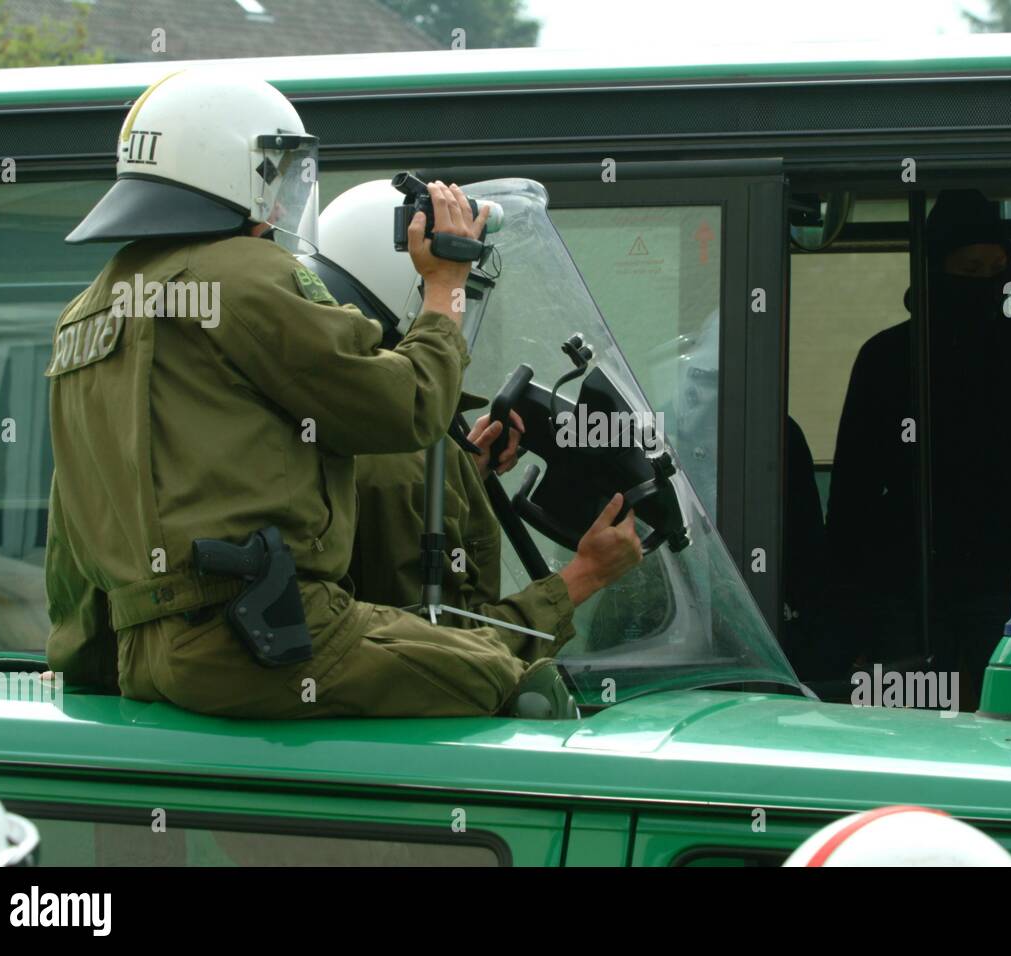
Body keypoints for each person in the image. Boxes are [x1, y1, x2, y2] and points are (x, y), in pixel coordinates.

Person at [43, 68, 577, 718]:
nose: (283, 197)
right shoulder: (244, 275)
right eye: (278, 170)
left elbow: (77, 531)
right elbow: (407, 406)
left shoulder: (91, 310)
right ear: (234, 168)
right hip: (261, 638)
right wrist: (445, 283)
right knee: (504, 673)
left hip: (136, 655)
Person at [301, 180, 643, 654]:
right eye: (455, 297)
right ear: (403, 296)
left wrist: (462, 478)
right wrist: (585, 575)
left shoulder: (350, 412)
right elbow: (448, 650)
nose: (459, 323)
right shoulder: (396, 454)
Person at [820, 189, 1011, 705]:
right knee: (907, 734)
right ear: (937, 272)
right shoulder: (890, 360)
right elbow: (854, 490)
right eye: (969, 270)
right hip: (906, 586)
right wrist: (849, 600)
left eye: (996, 269)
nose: (985, 285)